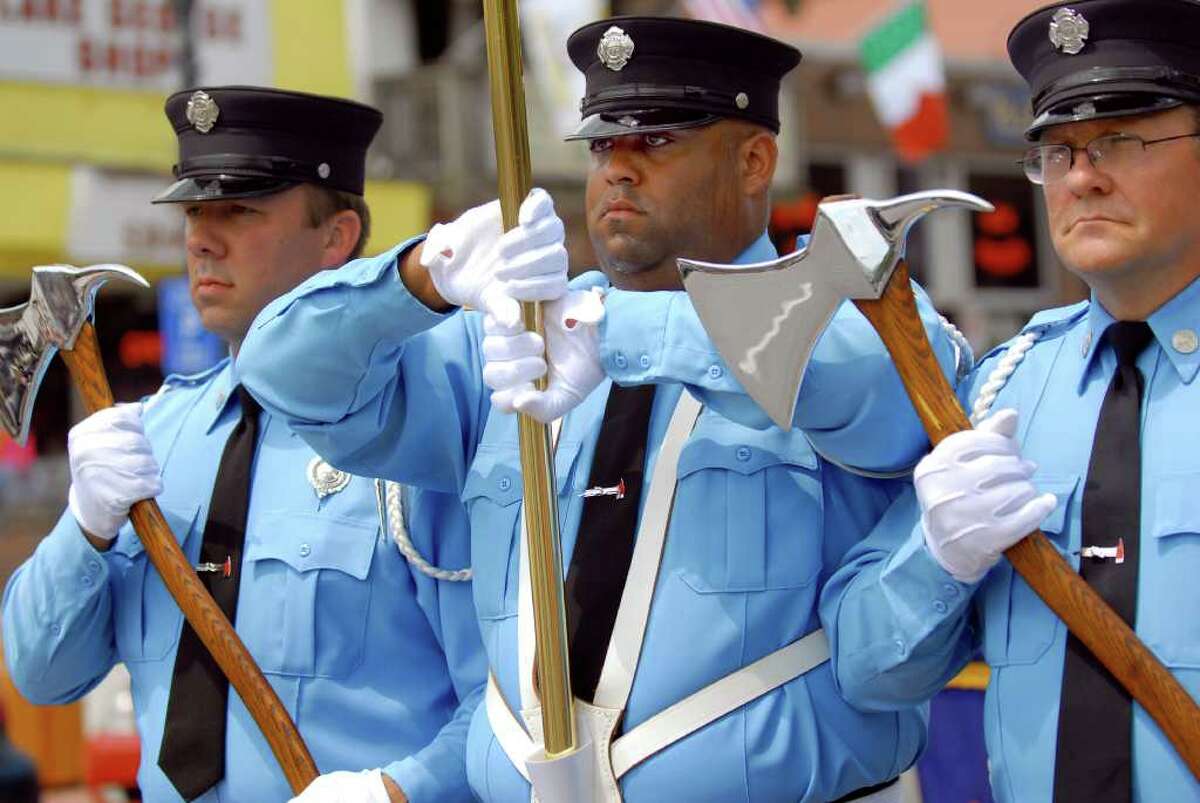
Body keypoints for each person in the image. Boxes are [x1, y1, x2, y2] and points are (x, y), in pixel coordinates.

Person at [237, 17, 965, 802]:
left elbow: (865, 384)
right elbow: (282, 373)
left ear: (755, 161)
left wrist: (619, 328)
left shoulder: (844, 311)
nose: (617, 169)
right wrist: (425, 273)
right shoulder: (532, 339)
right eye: (600, 146)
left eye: (655, 144)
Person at [1, 86, 486, 803]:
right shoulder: (153, 437)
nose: (201, 237)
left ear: (336, 236)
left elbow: (510, 699)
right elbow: (41, 670)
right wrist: (86, 527)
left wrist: (398, 791)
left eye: (239, 210)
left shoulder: (417, 429)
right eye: (195, 211)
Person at [819, 1, 1200, 800]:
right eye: (1057, 153)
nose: (1082, 176)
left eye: (1120, 141)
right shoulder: (999, 390)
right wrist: (939, 557)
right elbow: (866, 666)